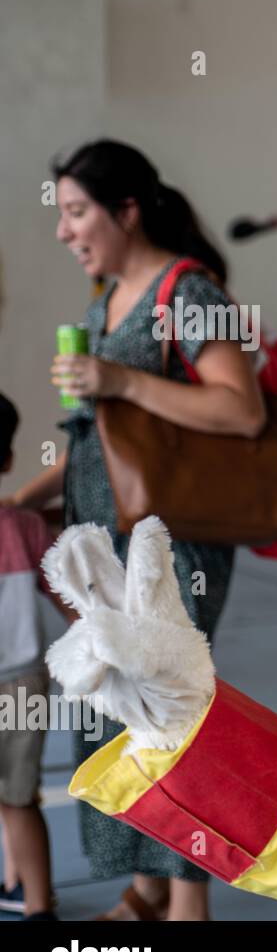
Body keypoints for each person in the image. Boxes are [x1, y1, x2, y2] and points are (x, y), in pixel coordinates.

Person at [3, 139, 265, 921]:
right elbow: (99, 438)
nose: (64, 230)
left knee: (168, 713)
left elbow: (241, 410)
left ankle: (189, 901)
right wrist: (26, 499)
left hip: (168, 547)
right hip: (101, 538)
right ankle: (148, 889)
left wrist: (121, 379)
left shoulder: (191, 292)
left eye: (77, 212)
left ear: (127, 210)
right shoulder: (103, 300)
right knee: (110, 707)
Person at [0, 392, 72, 920]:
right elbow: (71, 603)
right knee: (19, 798)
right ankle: (37, 904)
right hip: (23, 685)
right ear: (6, 460)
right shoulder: (24, 528)